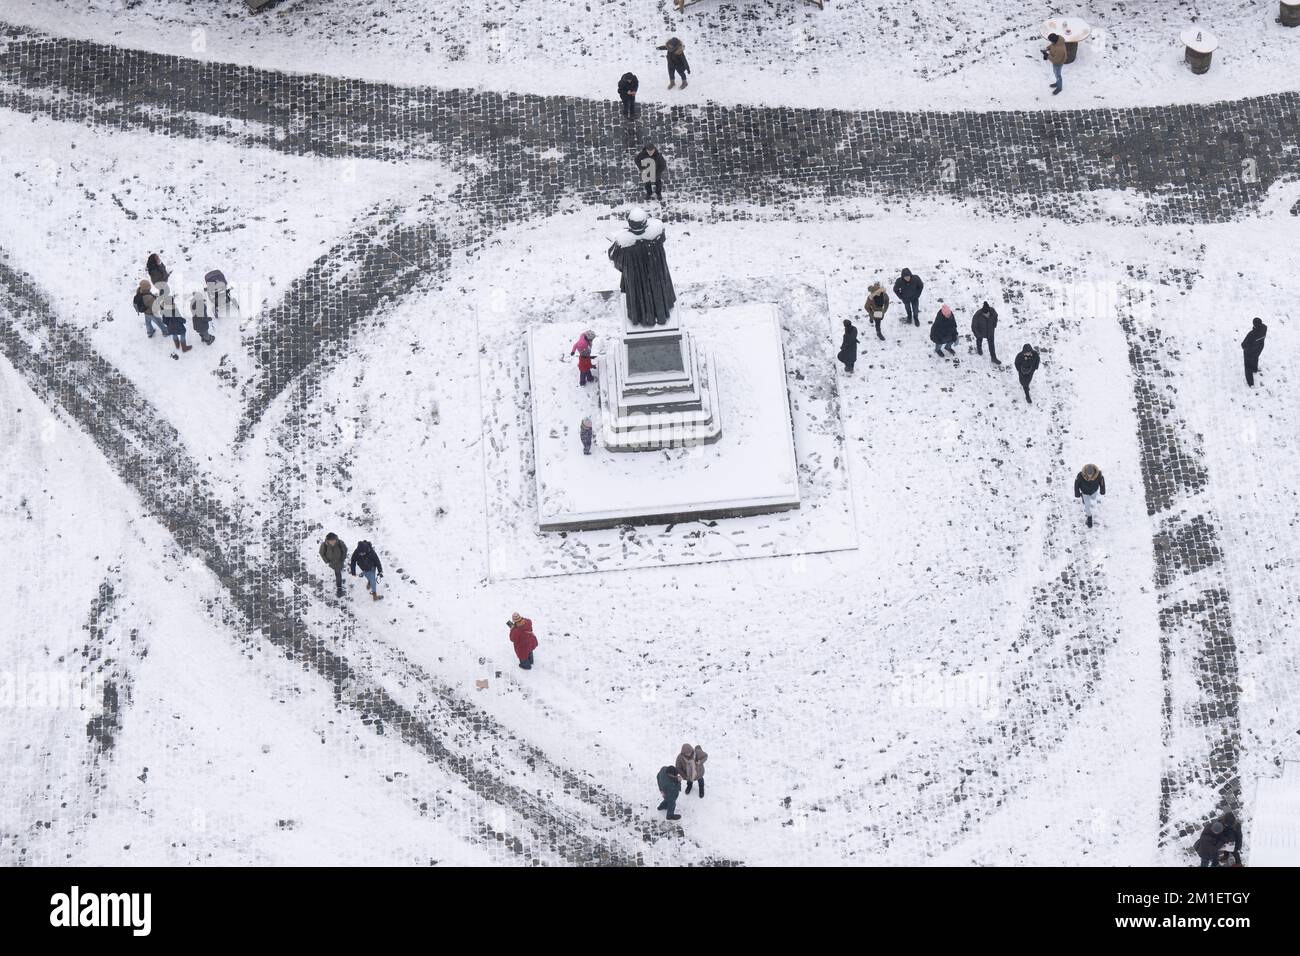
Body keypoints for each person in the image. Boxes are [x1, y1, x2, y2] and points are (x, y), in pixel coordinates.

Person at [157, 285, 191, 357]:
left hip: (170, 325)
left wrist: (168, 324)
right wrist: (183, 321)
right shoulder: (174, 309)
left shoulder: (162, 306)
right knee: (182, 333)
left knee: (173, 333)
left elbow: (164, 319)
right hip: (177, 324)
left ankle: (177, 344)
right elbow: (179, 318)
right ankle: (184, 348)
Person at [1074, 463, 1106, 528]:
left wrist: (1102, 490)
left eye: (1091, 474)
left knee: (1093, 498)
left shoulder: (1099, 475)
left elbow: (1102, 483)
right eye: (1088, 474)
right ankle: (1089, 516)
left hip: (1094, 491)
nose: (1090, 476)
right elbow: (1076, 484)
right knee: (1087, 505)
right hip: (1085, 492)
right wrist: (1077, 493)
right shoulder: (1080, 475)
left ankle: (1084, 497)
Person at [319, 532, 348, 598]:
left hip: (339, 562)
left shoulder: (340, 543)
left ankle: (339, 588)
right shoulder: (324, 545)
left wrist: (343, 558)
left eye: (333, 540)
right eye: (330, 541)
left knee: (338, 574)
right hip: (331, 562)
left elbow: (345, 550)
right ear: (328, 540)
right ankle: (339, 570)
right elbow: (321, 553)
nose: (332, 542)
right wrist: (326, 561)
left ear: (336, 539)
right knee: (337, 571)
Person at [1241, 317, 1267, 387]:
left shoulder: (1251, 334)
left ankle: (1250, 383)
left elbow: (1244, 344)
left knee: (1247, 365)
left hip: (1249, 351)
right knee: (1255, 358)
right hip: (1259, 348)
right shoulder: (1264, 328)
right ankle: (1254, 369)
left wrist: (1244, 347)